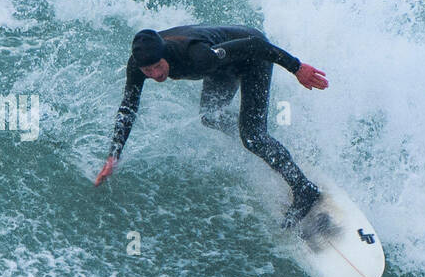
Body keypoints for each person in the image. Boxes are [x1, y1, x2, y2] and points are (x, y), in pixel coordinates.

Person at [93, 25, 329, 224]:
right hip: (221, 68)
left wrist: (297, 68)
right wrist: (114, 154)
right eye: (148, 70)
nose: (154, 74)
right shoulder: (138, 64)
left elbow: (256, 46)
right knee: (211, 117)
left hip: (252, 58)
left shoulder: (196, 56)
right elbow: (128, 107)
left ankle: (305, 190)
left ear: (164, 54)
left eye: (157, 66)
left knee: (252, 137)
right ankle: (262, 142)